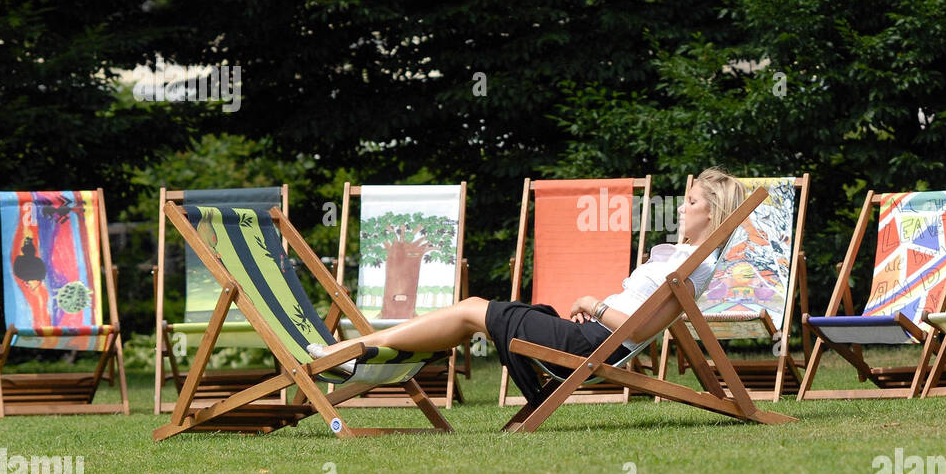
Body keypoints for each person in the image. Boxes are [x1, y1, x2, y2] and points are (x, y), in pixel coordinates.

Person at [308, 168, 749, 406]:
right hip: (590, 337)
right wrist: (595, 310)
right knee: (470, 313)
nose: (681, 207)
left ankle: (356, 353)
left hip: (590, 343)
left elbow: (633, 329)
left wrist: (593, 305)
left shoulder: (694, 266)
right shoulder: (684, 257)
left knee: (470, 311)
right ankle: (358, 355)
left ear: (712, 213)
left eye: (691, 201)